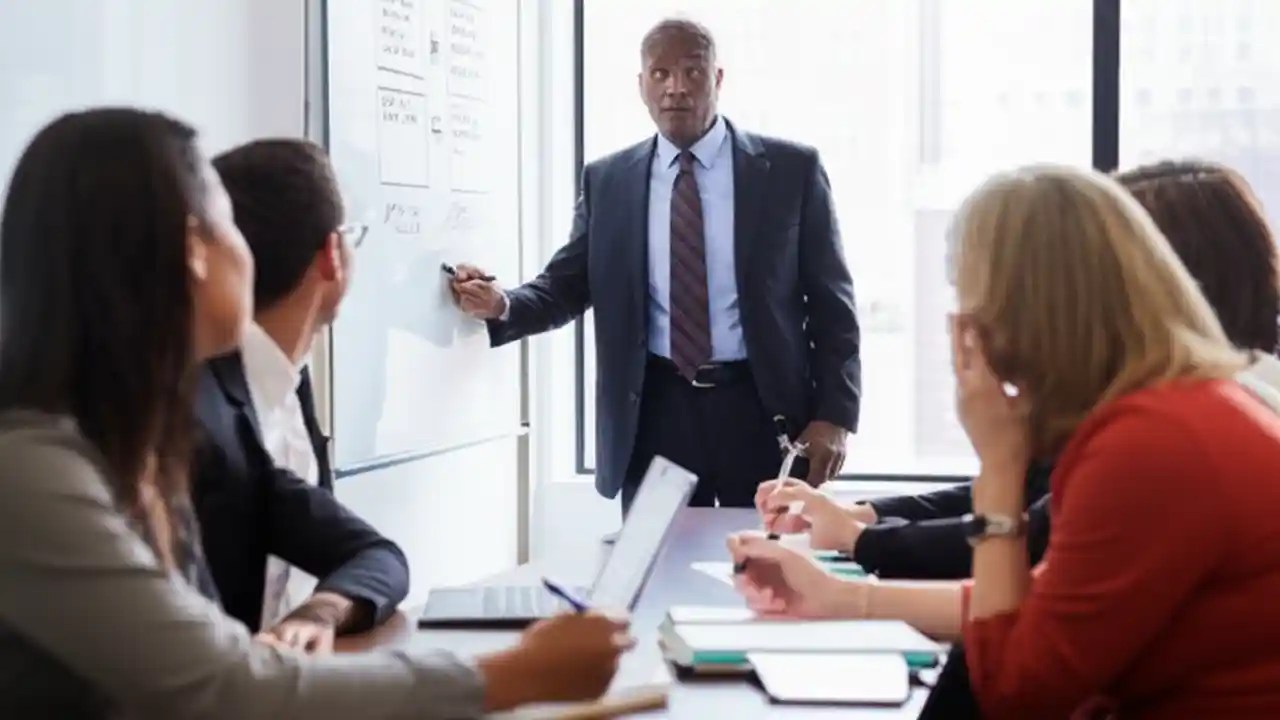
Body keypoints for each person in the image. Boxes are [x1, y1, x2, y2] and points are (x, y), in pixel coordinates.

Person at [0, 108, 630, 719]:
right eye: (229, 228)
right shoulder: (30, 471)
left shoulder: (133, 443)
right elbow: (223, 688)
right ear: (195, 248)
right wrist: (513, 674)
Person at [730, 163, 1280, 717]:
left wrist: (999, 465)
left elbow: (1016, 690)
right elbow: (1042, 606)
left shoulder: (1154, 444)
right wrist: (843, 598)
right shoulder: (1181, 406)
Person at [451, 18, 861, 512]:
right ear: (641, 85)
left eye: (692, 72)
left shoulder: (790, 171)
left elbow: (833, 307)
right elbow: (567, 284)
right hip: (654, 413)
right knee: (655, 574)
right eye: (660, 74)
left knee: (765, 575)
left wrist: (835, 415)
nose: (676, 88)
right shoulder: (609, 181)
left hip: (760, 411)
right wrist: (502, 304)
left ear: (718, 79)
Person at [184, 139, 406, 653]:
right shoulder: (194, 409)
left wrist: (322, 612)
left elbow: (375, 555)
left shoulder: (291, 379)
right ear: (332, 254)